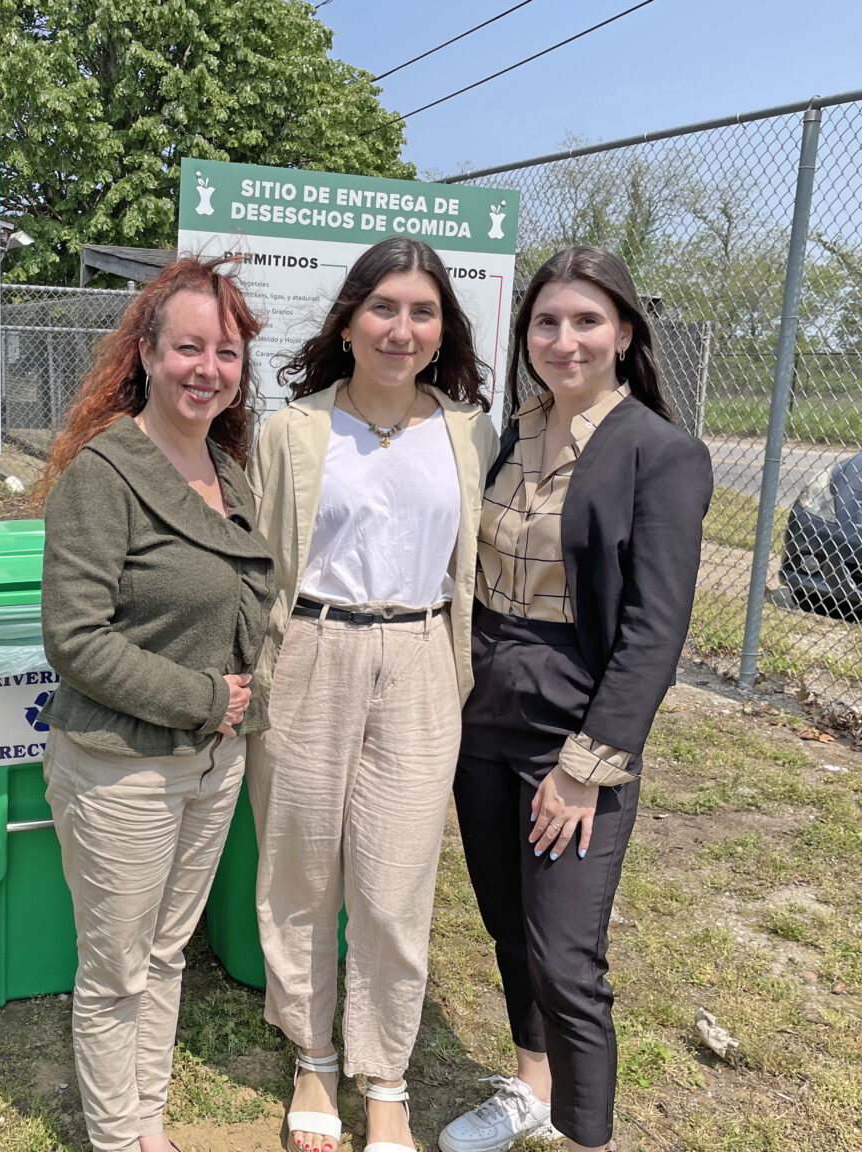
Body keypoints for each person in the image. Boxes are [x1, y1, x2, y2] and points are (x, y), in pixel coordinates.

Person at [438, 246, 713, 1152]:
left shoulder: (661, 454)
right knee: (505, 919)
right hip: (484, 705)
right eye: (546, 322)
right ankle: (531, 1086)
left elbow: (652, 633)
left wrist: (587, 768)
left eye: (587, 321)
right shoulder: (502, 437)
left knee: (567, 954)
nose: (565, 340)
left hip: (574, 717)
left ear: (625, 333)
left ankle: (586, 1134)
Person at [245, 237, 500, 1152]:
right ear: (349, 320)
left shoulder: (471, 432)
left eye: (422, 311)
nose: (401, 328)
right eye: (383, 307)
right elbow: (257, 565)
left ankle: (385, 1077)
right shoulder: (292, 431)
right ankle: (314, 1057)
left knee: (395, 886)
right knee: (301, 870)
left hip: (425, 657)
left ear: (443, 331)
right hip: (311, 650)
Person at [37, 256, 276, 1152]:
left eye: (226, 351)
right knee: (114, 972)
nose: (207, 368)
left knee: (165, 954)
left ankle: (149, 1125)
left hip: (211, 766)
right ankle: (117, 1137)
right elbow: (76, 638)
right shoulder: (106, 475)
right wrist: (207, 697)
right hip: (122, 767)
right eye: (188, 347)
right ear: (145, 352)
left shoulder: (227, 469)